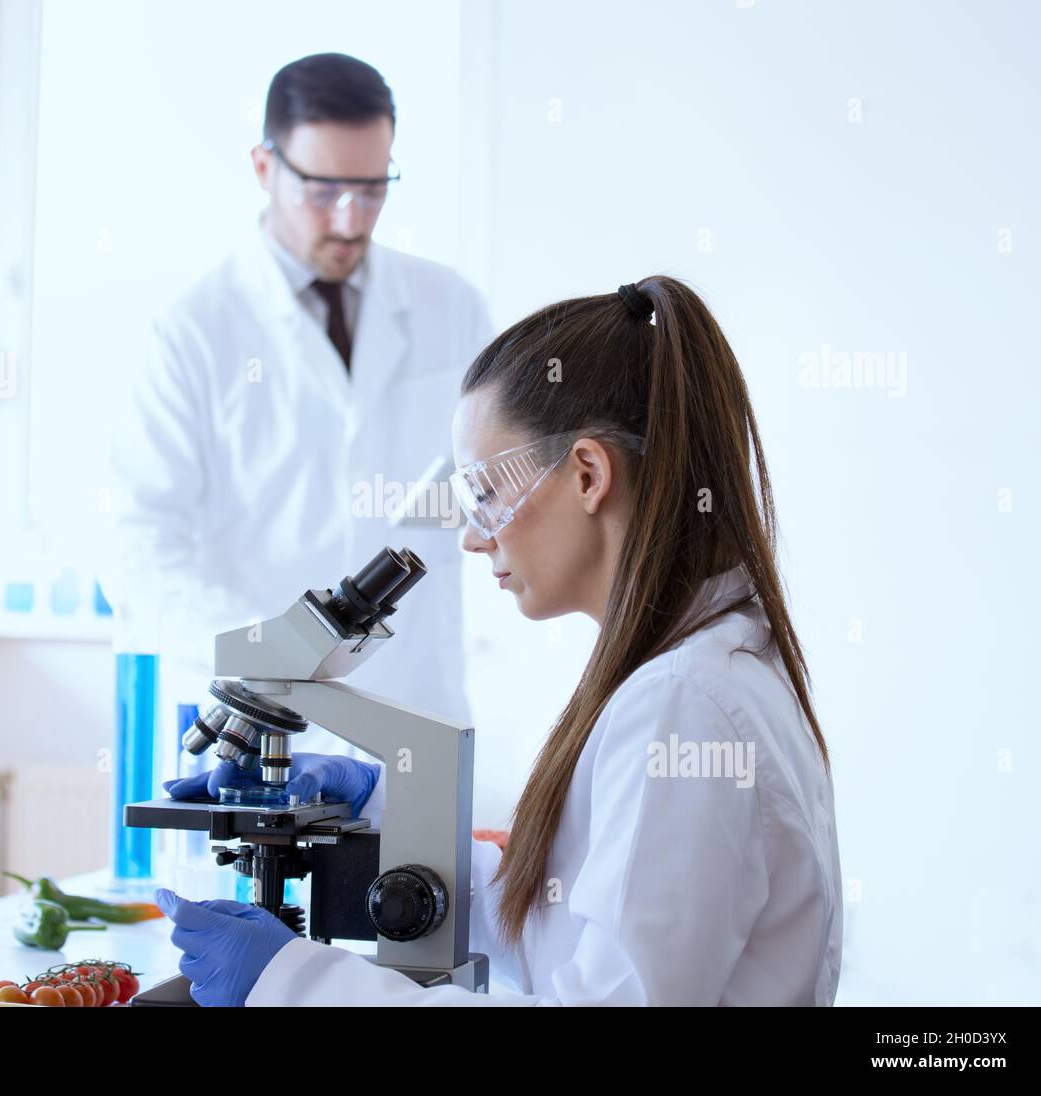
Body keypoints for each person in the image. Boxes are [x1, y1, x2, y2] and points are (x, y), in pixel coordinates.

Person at [155, 275, 843, 1006]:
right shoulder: (694, 670)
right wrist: (384, 810)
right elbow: (567, 932)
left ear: (587, 474)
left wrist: (294, 983)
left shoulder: (685, 704)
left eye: (483, 491)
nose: (473, 536)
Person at [105, 53, 492, 746]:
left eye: (373, 189)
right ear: (264, 166)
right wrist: (269, 652)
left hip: (418, 712)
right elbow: (142, 548)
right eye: (323, 189)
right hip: (264, 726)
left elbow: (493, 480)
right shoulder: (194, 331)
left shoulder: (452, 309)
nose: (350, 219)